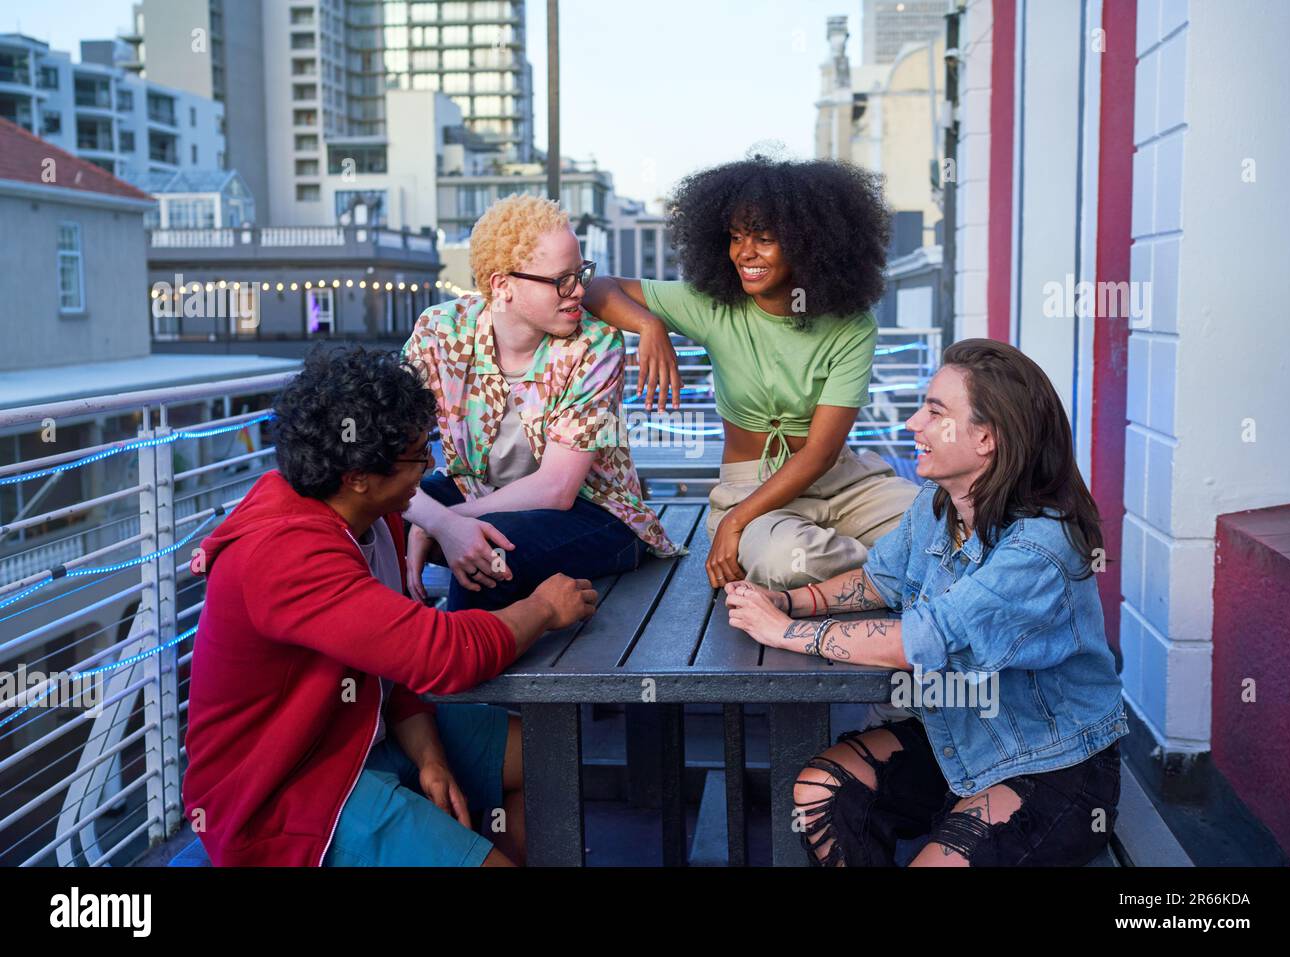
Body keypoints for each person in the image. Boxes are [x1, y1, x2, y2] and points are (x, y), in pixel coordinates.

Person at [183, 345, 597, 867]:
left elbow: (392, 664)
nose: (428, 468)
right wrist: (543, 609)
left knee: (551, 756)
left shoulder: (377, 517)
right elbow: (438, 652)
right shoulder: (285, 553)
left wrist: (429, 757)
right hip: (290, 786)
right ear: (358, 475)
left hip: (361, 724)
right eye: (418, 456)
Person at [724, 339, 1128, 867]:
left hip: (1049, 762)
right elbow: (878, 582)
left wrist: (782, 631)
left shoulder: (1040, 546)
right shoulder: (937, 508)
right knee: (820, 791)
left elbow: (918, 642)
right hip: (956, 732)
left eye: (935, 413)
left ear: (986, 437)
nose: (914, 423)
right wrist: (788, 599)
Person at [584, 155, 920, 591]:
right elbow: (596, 287)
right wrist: (650, 325)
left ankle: (872, 577)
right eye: (737, 237)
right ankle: (894, 576)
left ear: (810, 244)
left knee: (940, 527)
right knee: (786, 563)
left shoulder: (850, 323)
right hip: (752, 490)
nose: (745, 253)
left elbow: (819, 454)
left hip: (842, 482)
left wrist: (734, 525)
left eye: (764, 239)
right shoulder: (713, 305)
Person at [401, 194, 680, 612]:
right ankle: (385, 649)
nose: (580, 291)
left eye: (581, 273)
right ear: (502, 285)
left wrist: (446, 520)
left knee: (491, 552)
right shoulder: (441, 331)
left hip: (597, 513)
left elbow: (557, 489)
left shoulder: (595, 343)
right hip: (476, 489)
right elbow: (380, 455)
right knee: (365, 509)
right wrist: (437, 519)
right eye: (561, 280)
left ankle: (457, 663)